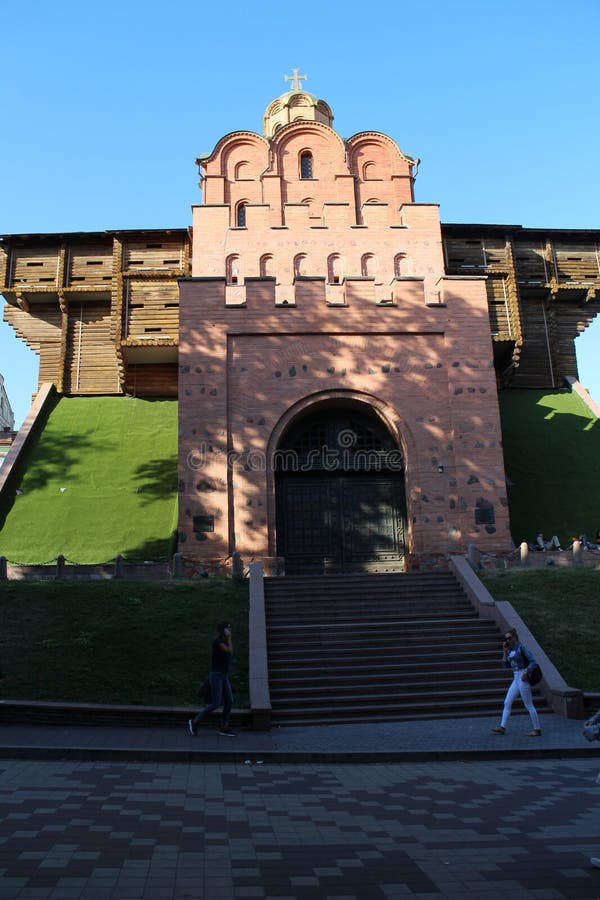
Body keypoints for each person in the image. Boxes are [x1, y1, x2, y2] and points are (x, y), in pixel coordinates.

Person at [491, 627, 542, 736]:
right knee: (507, 702)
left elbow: (533, 662)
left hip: (523, 676)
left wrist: (526, 672)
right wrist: (504, 652)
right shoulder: (509, 650)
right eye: (506, 639)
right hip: (516, 677)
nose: (507, 641)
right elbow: (505, 665)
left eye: (509, 638)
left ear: (515, 637)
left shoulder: (522, 648)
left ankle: (537, 729)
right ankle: (502, 727)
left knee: (528, 704)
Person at [188, 622, 236, 737]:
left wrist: (229, 639)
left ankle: (224, 727)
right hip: (216, 676)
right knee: (215, 703)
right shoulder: (217, 642)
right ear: (222, 630)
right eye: (227, 628)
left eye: (230, 628)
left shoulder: (224, 642)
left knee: (229, 701)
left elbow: (231, 651)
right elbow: (228, 651)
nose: (230, 630)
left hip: (224, 675)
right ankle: (195, 722)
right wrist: (229, 638)